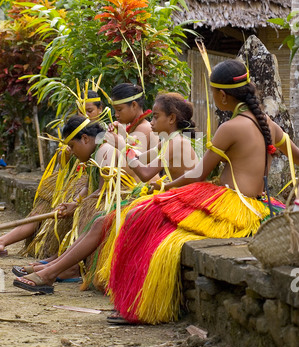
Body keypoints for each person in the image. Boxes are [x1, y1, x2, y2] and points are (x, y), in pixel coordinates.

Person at [99, 58, 299, 325]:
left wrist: (165, 186)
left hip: (229, 206)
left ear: (222, 95)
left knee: (140, 216)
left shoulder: (230, 128)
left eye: (213, 92)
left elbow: (199, 174)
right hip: (259, 205)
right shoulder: (269, 125)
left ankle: (139, 306)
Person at [12, 91, 199, 294]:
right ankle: (52, 269)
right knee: (101, 220)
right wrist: (120, 140)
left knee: (105, 221)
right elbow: (141, 158)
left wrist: (124, 148)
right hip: (173, 199)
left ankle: (52, 271)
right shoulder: (168, 140)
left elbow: (144, 173)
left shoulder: (176, 142)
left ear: (171, 119)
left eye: (155, 116)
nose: (151, 121)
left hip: (183, 204)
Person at [0, 91, 104, 259]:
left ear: (101, 109)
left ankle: (62, 261)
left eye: (90, 110)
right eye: (80, 111)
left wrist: (78, 202)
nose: (85, 114)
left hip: (86, 190)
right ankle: (3, 240)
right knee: (40, 210)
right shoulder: (81, 139)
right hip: (69, 186)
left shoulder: (104, 140)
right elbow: (67, 169)